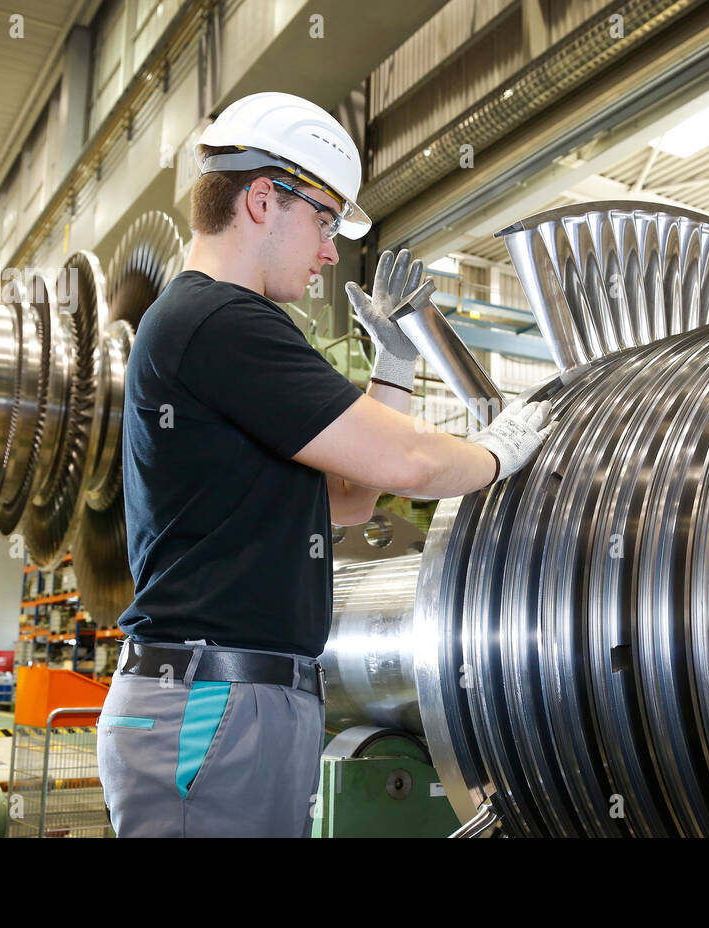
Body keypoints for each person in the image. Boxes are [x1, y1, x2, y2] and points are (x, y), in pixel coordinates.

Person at [96, 91, 555, 837]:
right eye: (324, 220)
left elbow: (350, 498)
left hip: (240, 702)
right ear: (261, 199)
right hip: (213, 704)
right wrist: (497, 451)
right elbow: (405, 462)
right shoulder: (220, 320)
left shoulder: (216, 327)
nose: (331, 250)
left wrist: (394, 368)